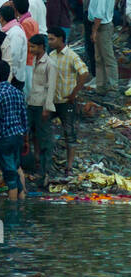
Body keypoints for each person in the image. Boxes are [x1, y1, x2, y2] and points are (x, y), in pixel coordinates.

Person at [47, 30, 89, 176]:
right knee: (42, 127)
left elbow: (84, 73)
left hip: (66, 101)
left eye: (52, 39)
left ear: (60, 39)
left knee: (69, 133)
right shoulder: (52, 55)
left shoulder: (71, 55)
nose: (49, 42)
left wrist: (74, 93)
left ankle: (69, 167)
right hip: (53, 101)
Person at [0, 59, 29, 200]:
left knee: (10, 177)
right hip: (18, 137)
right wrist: (26, 140)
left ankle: (13, 209)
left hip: (4, 139)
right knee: (15, 172)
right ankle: (21, 205)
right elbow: (24, 119)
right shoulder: (17, 92)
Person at [26, 35, 57, 188]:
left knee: (44, 139)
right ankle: (36, 166)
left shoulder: (50, 64)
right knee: (31, 136)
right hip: (31, 102)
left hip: (41, 105)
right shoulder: (33, 61)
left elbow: (51, 87)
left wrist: (47, 108)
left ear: (41, 47)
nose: (31, 49)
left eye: (33, 47)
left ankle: (45, 172)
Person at [89, 0, 119, 94]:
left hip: (102, 26)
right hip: (102, 25)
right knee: (99, 58)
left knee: (107, 58)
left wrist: (94, 31)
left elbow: (99, 13)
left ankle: (112, 87)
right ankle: (101, 86)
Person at [0, 4, 27, 90]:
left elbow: (14, 56)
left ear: (1, 18)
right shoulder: (11, 30)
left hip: (14, 77)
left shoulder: (15, 32)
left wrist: (9, 77)